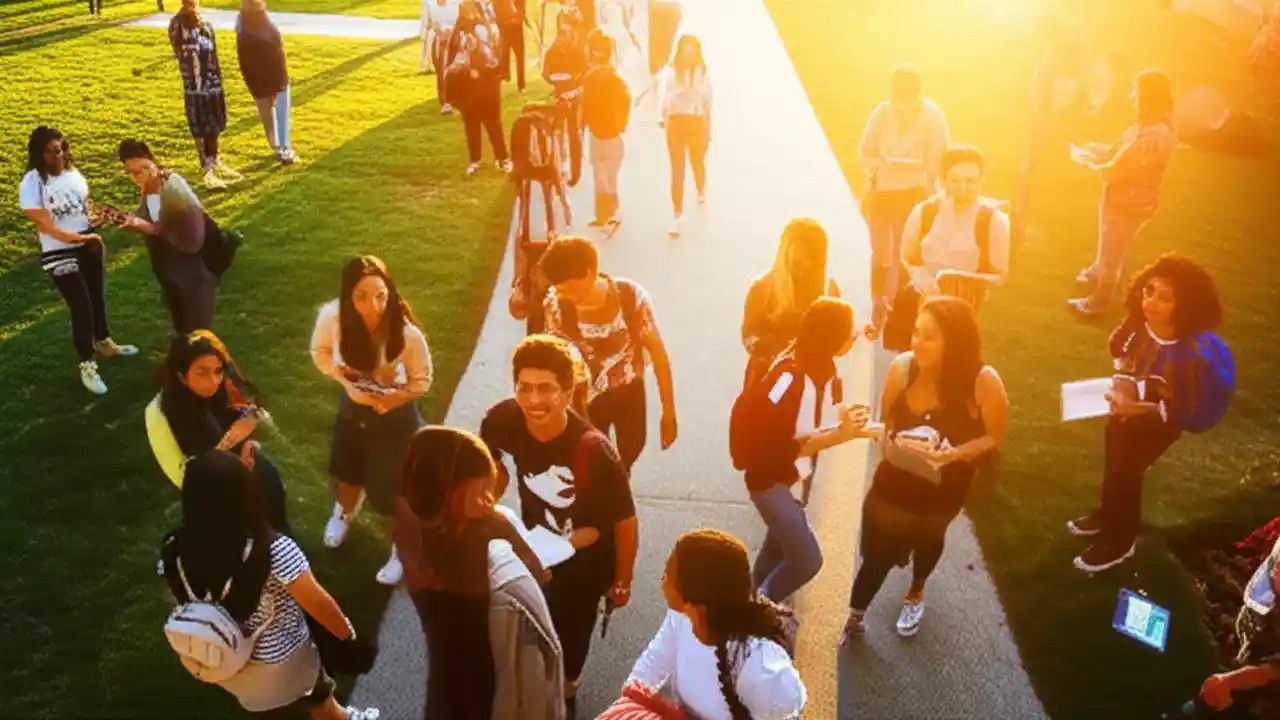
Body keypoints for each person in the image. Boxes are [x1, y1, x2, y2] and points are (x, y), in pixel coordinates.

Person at [479, 334, 638, 719]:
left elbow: (626, 522)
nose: (534, 400)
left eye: (546, 389)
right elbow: (489, 461)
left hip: (587, 563)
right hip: (537, 547)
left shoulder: (594, 450)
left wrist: (622, 582)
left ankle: (566, 692)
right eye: (525, 388)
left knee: (571, 633)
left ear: (568, 392)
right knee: (529, 621)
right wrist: (490, 493)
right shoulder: (503, 420)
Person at [159, 450, 378, 720]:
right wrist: (349, 640)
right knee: (321, 702)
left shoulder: (173, 552)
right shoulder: (275, 551)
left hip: (228, 664)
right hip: (287, 660)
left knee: (267, 709)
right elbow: (319, 604)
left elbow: (181, 597)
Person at [843, 297, 1008, 640]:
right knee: (875, 553)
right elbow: (886, 419)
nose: (917, 342)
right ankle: (855, 615)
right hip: (893, 480)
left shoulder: (984, 382)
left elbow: (994, 436)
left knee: (928, 538)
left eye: (929, 336)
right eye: (916, 332)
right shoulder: (902, 368)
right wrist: (883, 439)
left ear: (956, 341)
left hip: (944, 487)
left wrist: (953, 454)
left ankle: (916, 590)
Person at [1068, 254, 1235, 573]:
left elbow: (1184, 409)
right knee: (1114, 458)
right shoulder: (1137, 324)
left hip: (1162, 419)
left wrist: (1137, 408)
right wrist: (1121, 388)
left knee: (1128, 472)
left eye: (1165, 298)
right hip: (1131, 402)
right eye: (1149, 291)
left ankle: (1120, 541)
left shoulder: (1190, 354)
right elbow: (1124, 359)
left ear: (1186, 305)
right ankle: (1105, 513)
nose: (1152, 303)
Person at [394, 425, 560, 720]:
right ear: (445, 489)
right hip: (445, 623)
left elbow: (533, 562)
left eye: (490, 491)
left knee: (471, 694)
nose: (488, 501)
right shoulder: (411, 517)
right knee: (452, 692)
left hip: (475, 629)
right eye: (480, 491)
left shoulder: (486, 523)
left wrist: (535, 572)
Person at [735, 298, 869, 614]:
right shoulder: (790, 377)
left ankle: (747, 606)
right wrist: (840, 434)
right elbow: (781, 442)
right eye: (848, 332)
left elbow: (805, 425)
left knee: (777, 549)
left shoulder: (815, 368)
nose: (853, 338)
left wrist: (845, 423)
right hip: (772, 483)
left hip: (793, 482)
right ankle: (760, 612)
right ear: (832, 339)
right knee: (808, 559)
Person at [311, 256, 433, 585]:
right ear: (347, 297)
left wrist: (394, 398)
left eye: (380, 295)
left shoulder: (407, 335)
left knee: (393, 487)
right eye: (361, 296)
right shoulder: (332, 319)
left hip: (395, 418)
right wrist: (339, 374)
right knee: (349, 468)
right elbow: (320, 352)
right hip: (353, 408)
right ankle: (343, 515)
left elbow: (422, 381)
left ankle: (401, 547)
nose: (373, 306)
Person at [618, 529, 806, 720]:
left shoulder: (763, 671)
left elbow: (787, 706)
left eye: (668, 574)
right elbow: (656, 659)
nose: (662, 580)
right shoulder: (681, 616)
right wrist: (626, 705)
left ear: (697, 608)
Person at [539, 236, 678, 470]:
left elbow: (658, 354)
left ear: (590, 271)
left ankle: (622, 479)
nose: (564, 295)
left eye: (570, 287)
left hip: (629, 391)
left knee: (632, 448)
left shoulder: (630, 296)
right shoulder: (555, 306)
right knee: (594, 459)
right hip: (584, 401)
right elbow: (553, 363)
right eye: (559, 288)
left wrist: (669, 412)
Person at [18, 126, 138, 396]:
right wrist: (80, 239)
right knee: (81, 304)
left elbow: (83, 212)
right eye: (49, 151)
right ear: (39, 154)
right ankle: (87, 363)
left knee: (97, 295)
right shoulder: (32, 182)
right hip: (59, 249)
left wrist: (97, 222)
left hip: (87, 242)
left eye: (60, 149)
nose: (57, 156)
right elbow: (46, 226)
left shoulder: (74, 175)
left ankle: (104, 342)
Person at [875, 145, 1011, 349]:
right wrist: (922, 278)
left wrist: (954, 281)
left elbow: (999, 275)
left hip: (962, 308)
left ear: (982, 180)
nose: (963, 188)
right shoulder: (924, 212)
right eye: (955, 180)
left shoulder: (993, 221)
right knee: (911, 362)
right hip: (920, 302)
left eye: (971, 181)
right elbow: (908, 257)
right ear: (943, 179)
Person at [1068, 69, 1177, 315]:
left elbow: (1121, 168)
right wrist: (1102, 150)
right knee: (1116, 248)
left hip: (1128, 202)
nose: (1131, 97)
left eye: (1135, 92)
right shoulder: (1152, 127)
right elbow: (1124, 151)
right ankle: (1107, 281)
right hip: (1124, 199)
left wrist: (1090, 162)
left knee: (1112, 255)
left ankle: (1099, 303)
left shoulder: (1154, 136)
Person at [160, 330, 290, 534]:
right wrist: (242, 435)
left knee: (271, 488)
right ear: (181, 376)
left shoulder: (205, 394)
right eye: (202, 373)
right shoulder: (181, 410)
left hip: (239, 466)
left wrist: (247, 430)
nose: (214, 380)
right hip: (220, 484)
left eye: (218, 371)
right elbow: (208, 460)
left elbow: (224, 414)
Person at [858, 66, 950, 332]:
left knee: (904, 253)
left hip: (914, 193)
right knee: (881, 252)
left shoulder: (933, 116)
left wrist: (927, 180)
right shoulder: (883, 113)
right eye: (898, 102)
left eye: (907, 102)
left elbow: (939, 157)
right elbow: (866, 151)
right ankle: (877, 302)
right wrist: (882, 165)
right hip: (883, 191)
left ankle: (898, 306)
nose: (902, 109)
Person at [116, 139, 221, 335]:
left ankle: (203, 360)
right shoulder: (149, 188)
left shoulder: (173, 187)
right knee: (181, 318)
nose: (138, 177)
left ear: (152, 161)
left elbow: (183, 231)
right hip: (170, 266)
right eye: (131, 173)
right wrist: (128, 219)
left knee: (196, 324)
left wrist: (142, 225)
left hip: (190, 264)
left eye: (142, 169)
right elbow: (151, 218)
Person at [741, 218, 840, 389]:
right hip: (775, 380)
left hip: (814, 382)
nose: (803, 271)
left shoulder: (829, 289)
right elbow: (749, 337)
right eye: (796, 264)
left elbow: (840, 340)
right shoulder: (763, 288)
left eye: (812, 265)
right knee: (778, 410)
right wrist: (774, 340)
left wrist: (856, 335)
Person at [169, 0, 242, 190]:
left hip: (213, 84)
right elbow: (185, 56)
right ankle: (207, 169)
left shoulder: (205, 24)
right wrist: (198, 84)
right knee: (201, 126)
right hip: (196, 87)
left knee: (214, 125)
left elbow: (213, 54)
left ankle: (215, 160)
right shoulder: (178, 24)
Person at [656, 34, 711, 237]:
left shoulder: (702, 74)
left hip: (695, 121)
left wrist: (708, 129)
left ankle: (700, 187)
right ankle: (677, 214)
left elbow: (707, 103)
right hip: (676, 121)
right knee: (677, 169)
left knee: (697, 160)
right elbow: (665, 95)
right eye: (685, 49)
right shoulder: (672, 74)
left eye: (691, 50)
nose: (688, 54)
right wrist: (661, 115)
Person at [447, 2, 511, 177]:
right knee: (472, 125)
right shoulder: (459, 31)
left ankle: (502, 158)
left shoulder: (487, 28)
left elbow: (497, 53)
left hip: (489, 82)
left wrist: (491, 68)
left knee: (493, 123)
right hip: (469, 85)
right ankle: (475, 160)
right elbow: (453, 58)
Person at [236, 0, 298, 165]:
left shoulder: (244, 24)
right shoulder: (257, 26)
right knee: (278, 113)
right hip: (271, 76)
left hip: (261, 78)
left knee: (269, 115)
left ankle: (279, 147)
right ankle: (282, 148)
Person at [581, 31, 631, 229]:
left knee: (600, 175)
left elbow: (584, 105)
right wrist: (622, 123)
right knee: (610, 176)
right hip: (613, 133)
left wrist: (582, 123)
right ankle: (611, 212)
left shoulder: (590, 78)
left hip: (597, 132)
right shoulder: (615, 78)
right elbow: (625, 101)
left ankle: (604, 214)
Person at [542, 10, 589, 187]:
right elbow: (546, 73)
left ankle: (575, 173)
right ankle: (558, 166)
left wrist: (574, 81)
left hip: (575, 96)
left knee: (574, 133)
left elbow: (584, 72)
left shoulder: (577, 52)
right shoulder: (552, 52)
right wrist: (555, 79)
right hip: (558, 95)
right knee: (557, 133)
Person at [421, 0, 462, 113]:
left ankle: (456, 97)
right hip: (440, 39)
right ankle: (445, 101)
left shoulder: (455, 4)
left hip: (455, 37)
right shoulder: (431, 5)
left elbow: (459, 22)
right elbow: (433, 24)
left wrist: (451, 32)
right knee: (442, 68)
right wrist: (440, 32)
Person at [493, 0, 528, 92]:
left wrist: (519, 18)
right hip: (504, 26)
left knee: (520, 55)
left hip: (516, 26)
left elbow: (522, 6)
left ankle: (521, 84)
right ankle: (505, 74)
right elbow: (496, 8)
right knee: (504, 51)